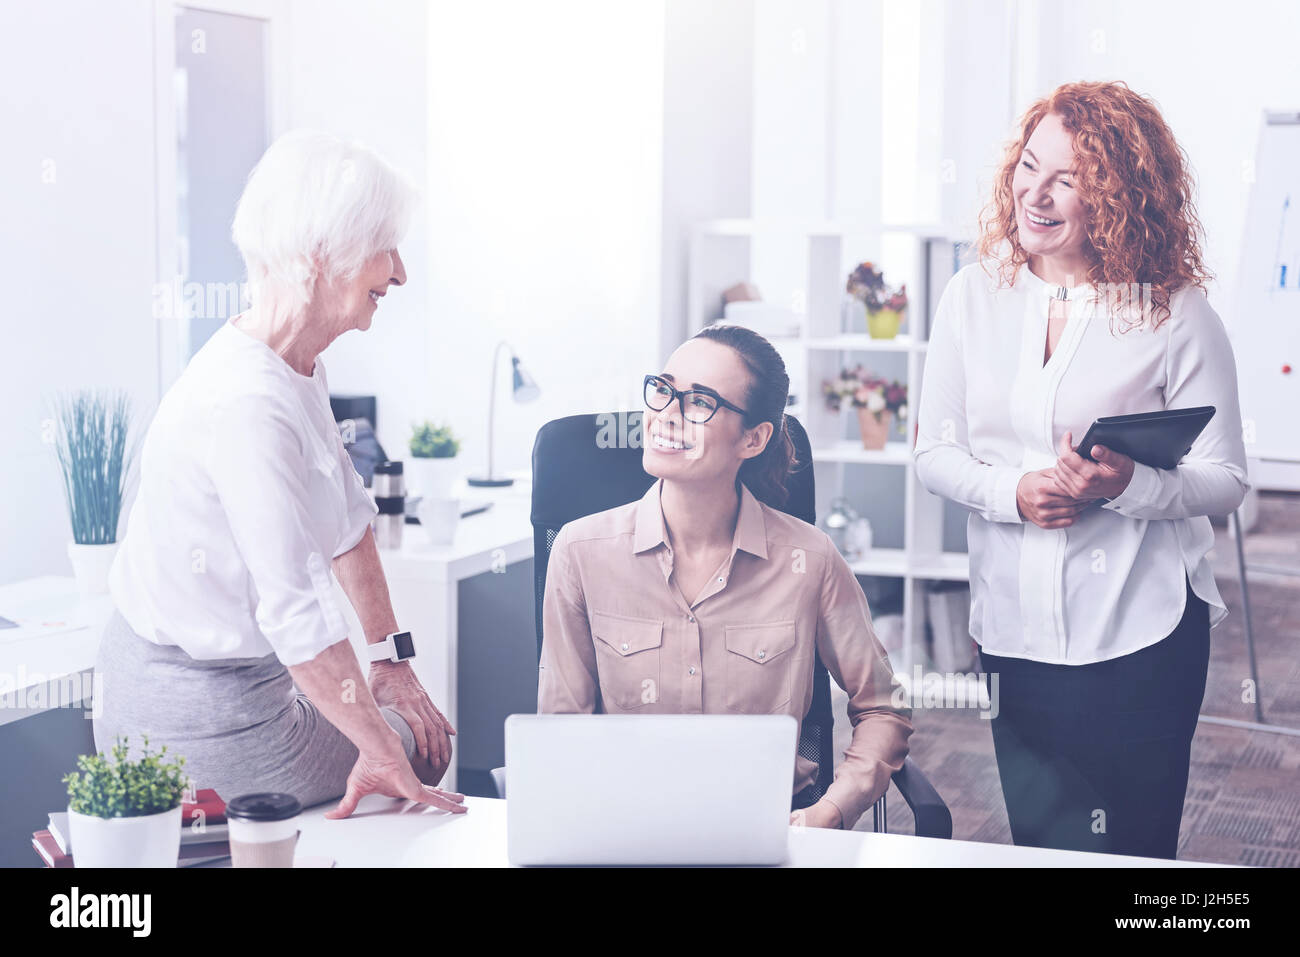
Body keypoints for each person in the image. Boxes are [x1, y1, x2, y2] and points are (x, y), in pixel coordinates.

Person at [913, 81, 1248, 857]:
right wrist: (1013, 492)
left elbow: (1227, 477)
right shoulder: (973, 297)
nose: (1036, 193)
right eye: (1029, 166)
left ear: (1121, 195)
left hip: (1140, 630)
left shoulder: (1172, 311)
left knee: (1132, 849)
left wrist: (1129, 486)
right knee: (1043, 843)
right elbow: (934, 452)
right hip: (1013, 629)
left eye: (1068, 179)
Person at [95, 130, 465, 821]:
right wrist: (380, 746)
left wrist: (391, 660)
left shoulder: (293, 364)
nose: (400, 273)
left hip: (246, 686)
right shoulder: (247, 402)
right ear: (322, 254)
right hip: (194, 717)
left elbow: (348, 521)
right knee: (419, 746)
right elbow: (297, 617)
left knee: (406, 729)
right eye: (386, 247)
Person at [537, 324, 912, 830]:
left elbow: (884, 707)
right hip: (626, 827)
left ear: (753, 438)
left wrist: (829, 811)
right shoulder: (580, 551)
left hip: (764, 830)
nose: (667, 413)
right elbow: (562, 733)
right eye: (664, 389)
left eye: (700, 401)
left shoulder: (810, 560)